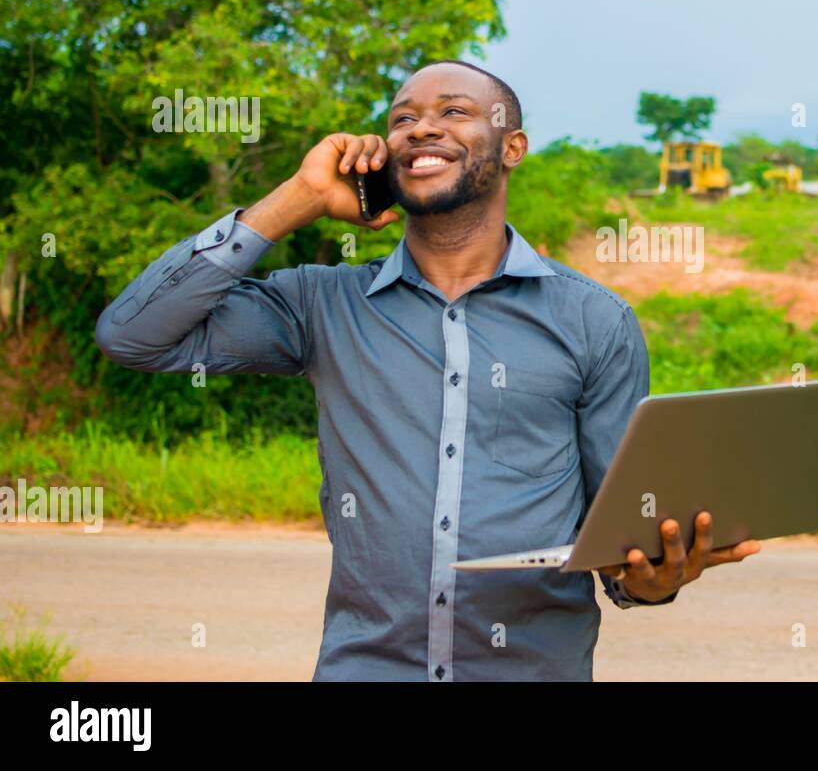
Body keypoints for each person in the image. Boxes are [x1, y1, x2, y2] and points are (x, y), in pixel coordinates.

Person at [95, 60, 760, 681]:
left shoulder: (595, 321)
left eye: (454, 111)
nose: (423, 128)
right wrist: (297, 197)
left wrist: (649, 581)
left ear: (512, 147)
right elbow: (133, 335)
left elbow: (621, 534)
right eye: (403, 119)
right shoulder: (322, 306)